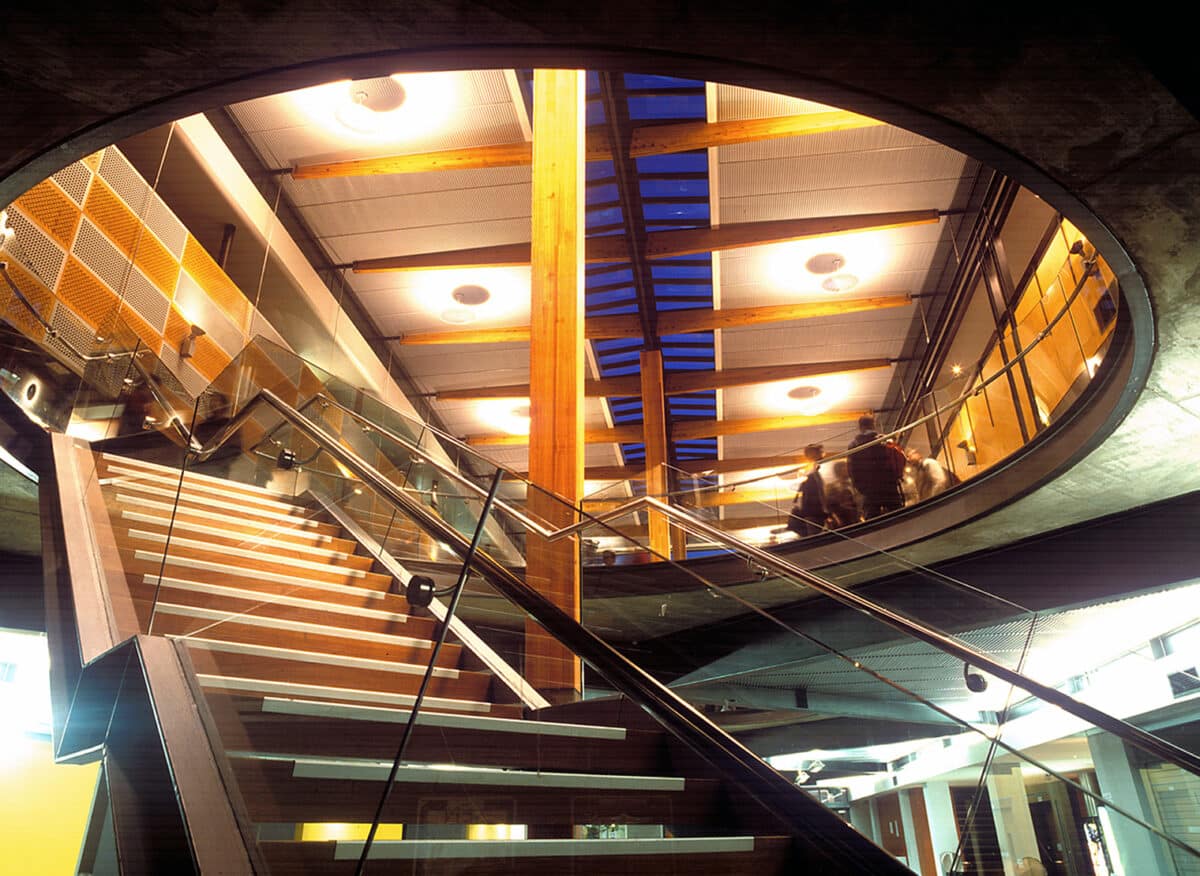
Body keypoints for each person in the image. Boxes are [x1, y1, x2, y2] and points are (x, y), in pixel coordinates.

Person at [847, 415, 904, 519]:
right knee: (898, 515)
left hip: (869, 489)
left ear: (860, 426)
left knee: (872, 519)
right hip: (888, 483)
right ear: (873, 424)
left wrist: (860, 487)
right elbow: (898, 458)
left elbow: (852, 470)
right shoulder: (885, 439)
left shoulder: (853, 445)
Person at [788, 444, 829, 536]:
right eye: (820, 453)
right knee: (815, 535)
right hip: (814, 510)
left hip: (816, 510)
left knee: (817, 533)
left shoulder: (813, 470)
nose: (822, 455)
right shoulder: (810, 472)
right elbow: (814, 491)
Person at [824, 460, 861, 527]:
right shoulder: (833, 487)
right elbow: (830, 506)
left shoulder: (854, 483)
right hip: (843, 522)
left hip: (857, 518)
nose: (847, 470)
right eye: (845, 468)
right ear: (839, 471)